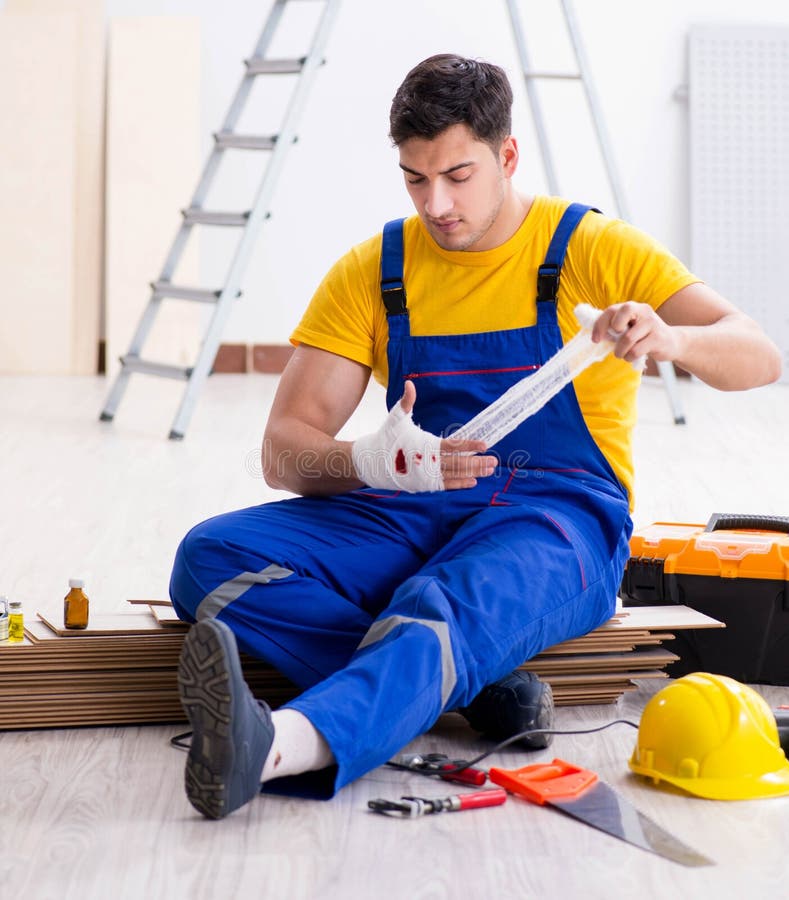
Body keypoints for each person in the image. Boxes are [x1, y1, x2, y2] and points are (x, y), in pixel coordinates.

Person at [169, 53, 781, 820]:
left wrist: (673, 340)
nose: (436, 203)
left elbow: (756, 355)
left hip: (555, 518)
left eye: (458, 175)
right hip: (409, 506)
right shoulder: (375, 270)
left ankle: (280, 743)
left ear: (507, 155)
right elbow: (283, 450)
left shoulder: (587, 247)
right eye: (414, 178)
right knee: (211, 557)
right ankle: (471, 679)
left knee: (437, 600)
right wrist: (370, 462)